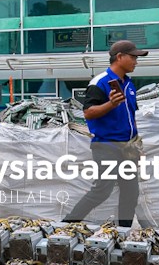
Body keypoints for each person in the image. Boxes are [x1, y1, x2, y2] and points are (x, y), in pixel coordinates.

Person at [63, 40, 148, 228]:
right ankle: (66, 224)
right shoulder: (100, 83)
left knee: (130, 193)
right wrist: (111, 104)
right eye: (133, 57)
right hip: (107, 146)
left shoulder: (128, 84)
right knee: (102, 190)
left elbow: (130, 116)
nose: (136, 61)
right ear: (119, 57)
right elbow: (88, 113)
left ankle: (123, 231)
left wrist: (136, 145)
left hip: (127, 147)